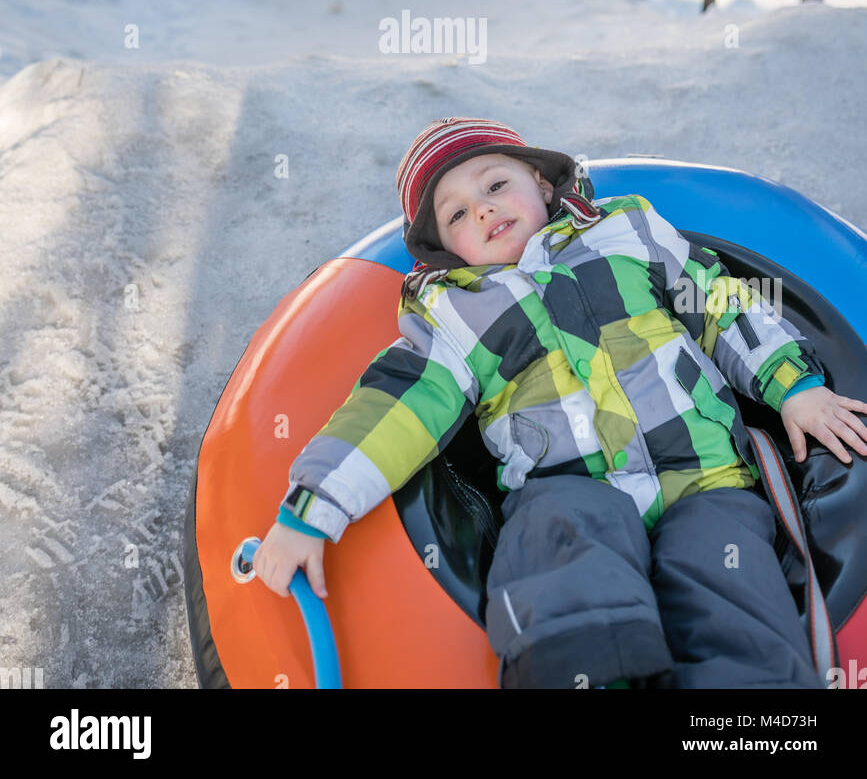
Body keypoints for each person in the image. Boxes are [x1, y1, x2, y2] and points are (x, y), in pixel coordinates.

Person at [253, 117, 867, 688]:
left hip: (704, 482)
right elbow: (398, 405)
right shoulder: (455, 314)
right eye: (458, 213)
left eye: (496, 183)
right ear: (444, 250)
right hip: (568, 490)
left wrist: (795, 386)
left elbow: (719, 303)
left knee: (728, 581)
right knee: (560, 550)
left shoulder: (625, 233)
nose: (484, 207)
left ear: (542, 184)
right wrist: (313, 508)